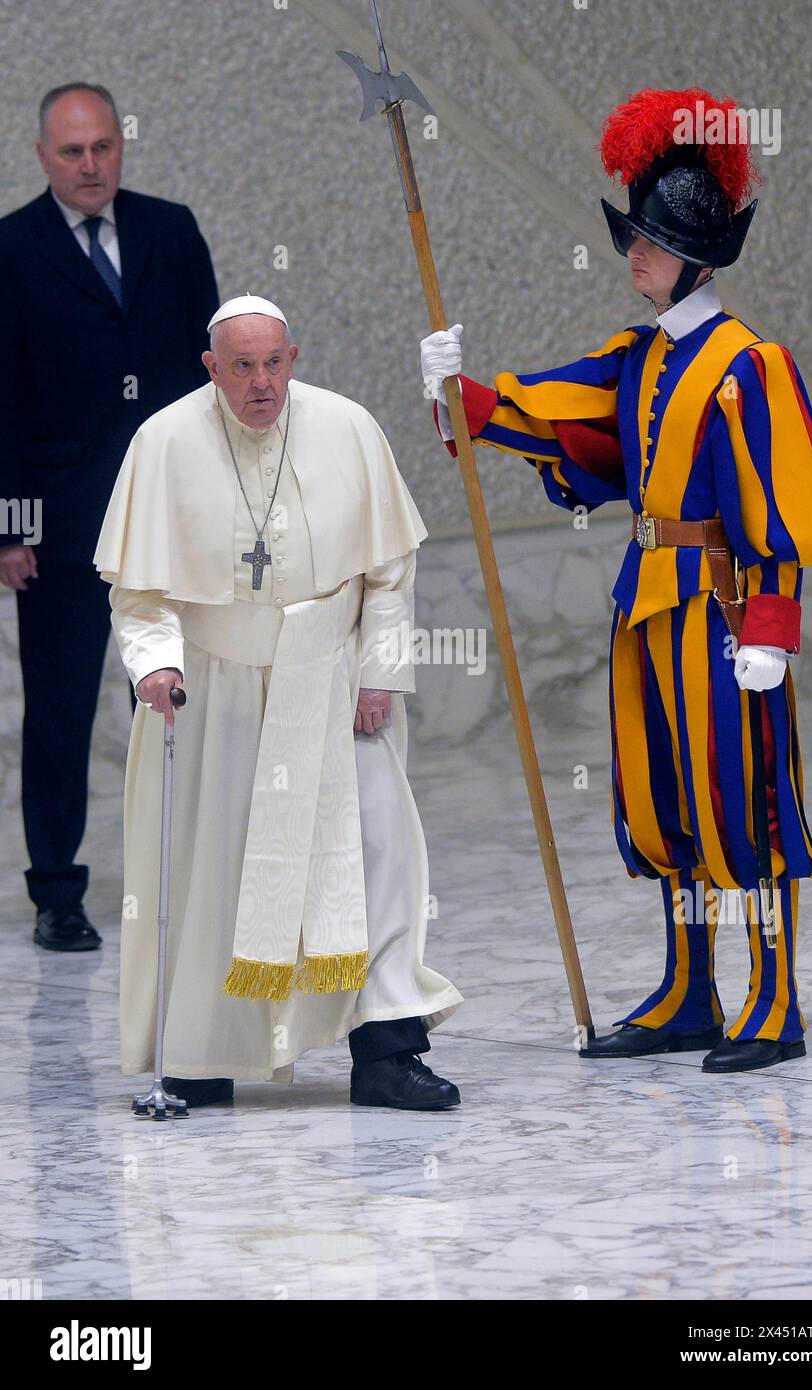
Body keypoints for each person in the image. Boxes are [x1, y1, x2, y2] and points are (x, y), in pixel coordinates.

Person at [420, 88, 812, 1074]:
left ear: (697, 255)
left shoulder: (751, 365)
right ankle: (688, 989)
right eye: (634, 239)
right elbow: (562, 417)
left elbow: (786, 502)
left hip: (723, 612)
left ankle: (772, 998)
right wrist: (468, 394)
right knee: (664, 800)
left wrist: (774, 625)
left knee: (744, 803)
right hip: (646, 603)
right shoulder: (641, 358)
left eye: (651, 242)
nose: (634, 256)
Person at [93, 294, 463, 1110]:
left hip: (331, 681)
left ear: (292, 358)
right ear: (210, 368)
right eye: (240, 367)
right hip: (214, 687)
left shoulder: (348, 428)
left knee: (371, 859)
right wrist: (154, 665)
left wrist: (380, 676)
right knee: (214, 865)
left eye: (273, 364)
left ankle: (388, 1052)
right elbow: (140, 591)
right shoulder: (161, 442)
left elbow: (389, 575)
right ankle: (199, 1053)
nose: (260, 384)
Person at [0, 82, 219, 952]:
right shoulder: (12, 249)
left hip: (169, 514)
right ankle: (58, 891)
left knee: (177, 694)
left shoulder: (170, 228)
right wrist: (10, 526)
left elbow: (211, 369)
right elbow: (2, 395)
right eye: (71, 152)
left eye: (102, 147)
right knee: (57, 711)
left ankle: (188, 872)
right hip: (58, 522)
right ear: (43, 156)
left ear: (120, 145)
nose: (89, 165)